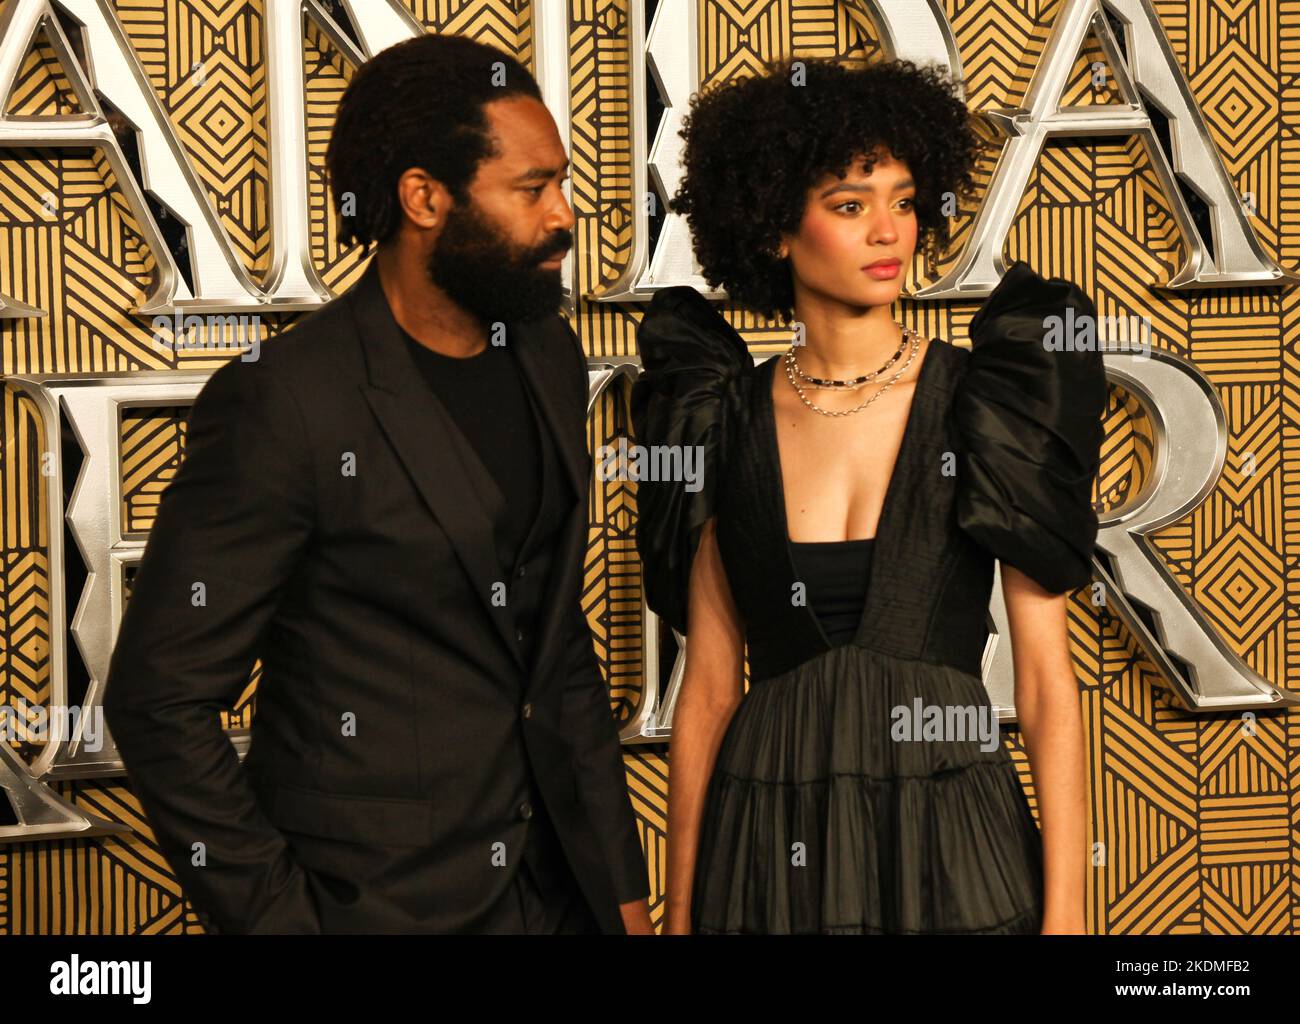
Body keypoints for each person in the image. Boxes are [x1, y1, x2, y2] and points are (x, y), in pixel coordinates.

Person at [103, 33, 652, 935]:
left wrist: (620, 889)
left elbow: (554, 654)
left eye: (562, 182)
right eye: (532, 188)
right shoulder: (286, 401)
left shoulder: (547, 353)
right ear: (423, 197)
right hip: (379, 907)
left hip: (560, 900)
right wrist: (284, 923)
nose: (565, 214)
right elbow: (158, 698)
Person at [632, 56, 1106, 934]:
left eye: (903, 200)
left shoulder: (986, 398)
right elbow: (705, 695)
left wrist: (1070, 917)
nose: (889, 229)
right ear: (775, 229)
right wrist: (680, 915)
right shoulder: (718, 415)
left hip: (951, 838)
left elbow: (1045, 682)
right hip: (768, 848)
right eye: (851, 205)